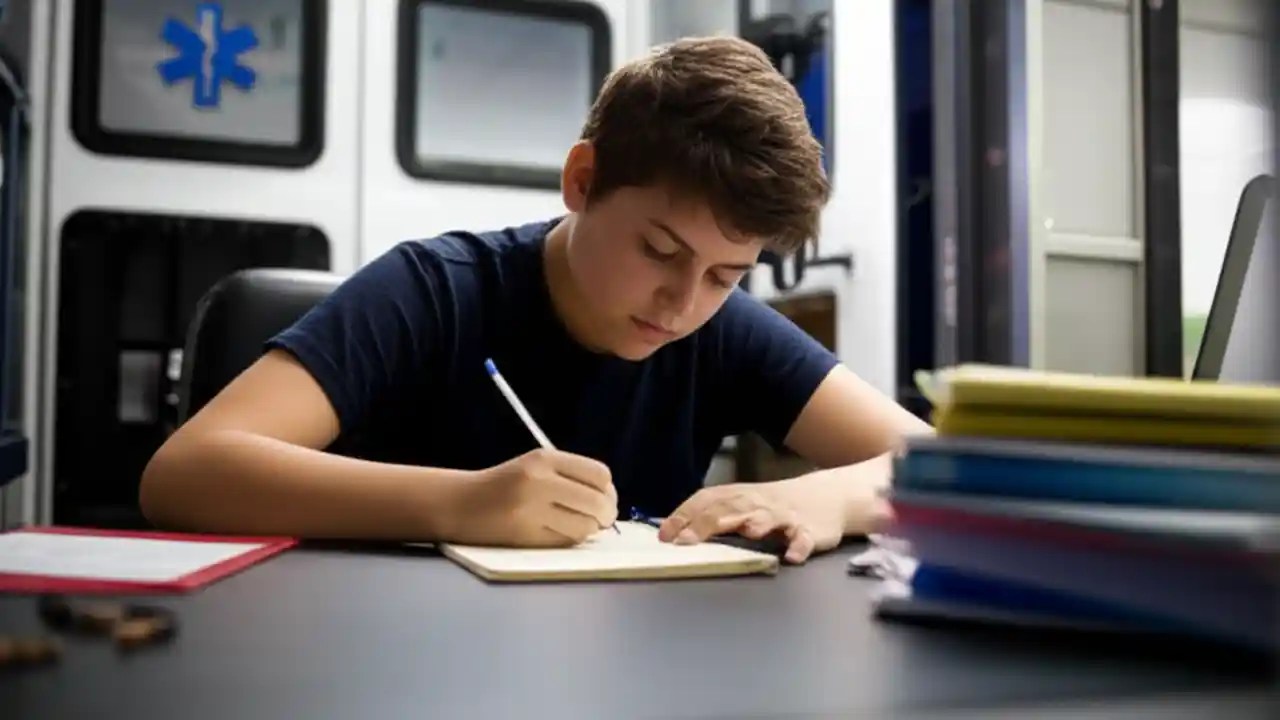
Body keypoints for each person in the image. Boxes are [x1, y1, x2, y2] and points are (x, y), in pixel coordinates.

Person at [140, 36, 931, 564]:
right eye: (660, 250)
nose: (684, 302)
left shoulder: (721, 330)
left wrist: (821, 498)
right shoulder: (433, 291)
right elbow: (186, 474)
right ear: (582, 181)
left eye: (728, 276)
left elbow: (941, 470)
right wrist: (461, 503)